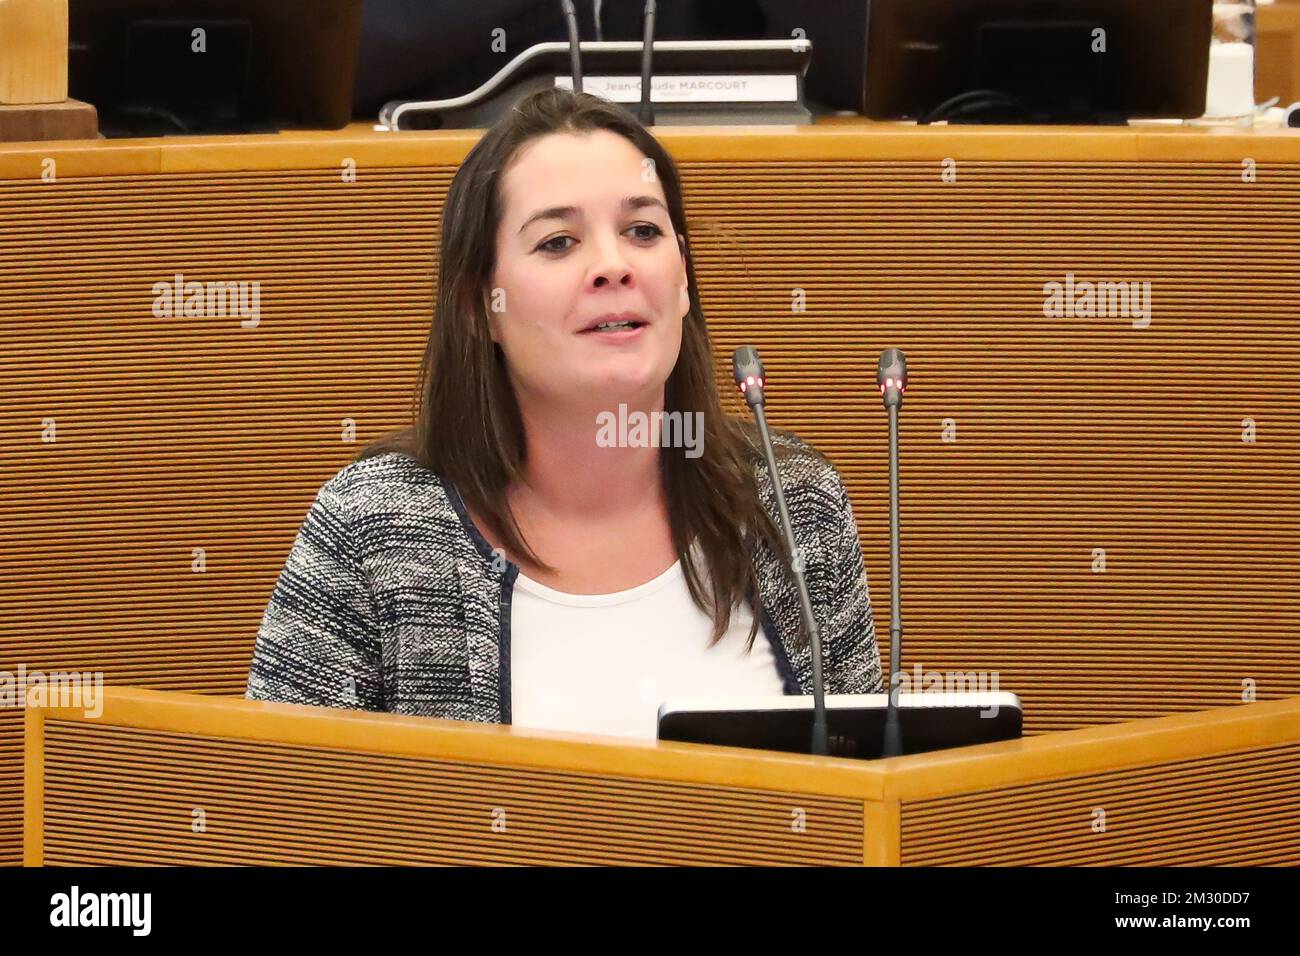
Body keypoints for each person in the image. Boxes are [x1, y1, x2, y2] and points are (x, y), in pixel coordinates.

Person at [245, 88, 882, 741]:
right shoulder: (372, 528)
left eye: (642, 230)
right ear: (477, 304)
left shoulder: (793, 501)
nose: (612, 266)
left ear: (683, 277)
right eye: (558, 242)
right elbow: (284, 818)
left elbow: (868, 799)